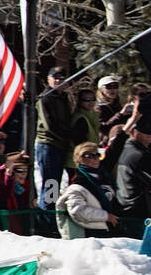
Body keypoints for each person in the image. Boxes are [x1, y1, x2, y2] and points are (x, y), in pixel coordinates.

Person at [115, 115, 151, 232]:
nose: (149, 134)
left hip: (127, 206)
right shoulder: (138, 155)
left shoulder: (128, 150)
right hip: (138, 212)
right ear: (132, 132)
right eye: (144, 130)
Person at [57, 142, 120, 239]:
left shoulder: (103, 176)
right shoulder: (78, 183)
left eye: (97, 155)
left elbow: (114, 151)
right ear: (79, 159)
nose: (95, 159)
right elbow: (77, 210)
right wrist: (106, 216)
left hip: (109, 231)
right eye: (89, 156)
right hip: (90, 236)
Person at [35, 65, 74, 210]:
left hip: (61, 145)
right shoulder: (45, 98)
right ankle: (46, 214)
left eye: (62, 78)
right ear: (48, 79)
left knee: (56, 182)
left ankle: (50, 211)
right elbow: (49, 125)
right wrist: (69, 134)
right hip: (48, 144)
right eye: (55, 78)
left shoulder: (63, 98)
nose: (58, 81)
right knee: (51, 183)